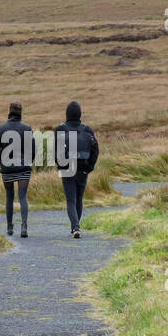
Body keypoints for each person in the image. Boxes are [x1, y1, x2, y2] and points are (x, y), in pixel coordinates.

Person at [55, 100, 98, 238]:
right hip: (83, 168)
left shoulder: (61, 129)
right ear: (80, 114)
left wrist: (60, 166)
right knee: (79, 199)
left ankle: (75, 227)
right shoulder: (87, 130)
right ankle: (76, 226)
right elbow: (95, 150)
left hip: (67, 168)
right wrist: (89, 167)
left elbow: (56, 151)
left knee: (71, 200)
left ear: (67, 114)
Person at [0, 101, 33, 238]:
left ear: (9, 112)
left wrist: (2, 163)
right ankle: (24, 226)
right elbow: (32, 149)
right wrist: (29, 162)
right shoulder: (27, 128)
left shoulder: (0, 129)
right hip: (23, 168)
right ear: (20, 113)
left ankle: (10, 227)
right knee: (23, 196)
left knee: (9, 196)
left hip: (7, 168)